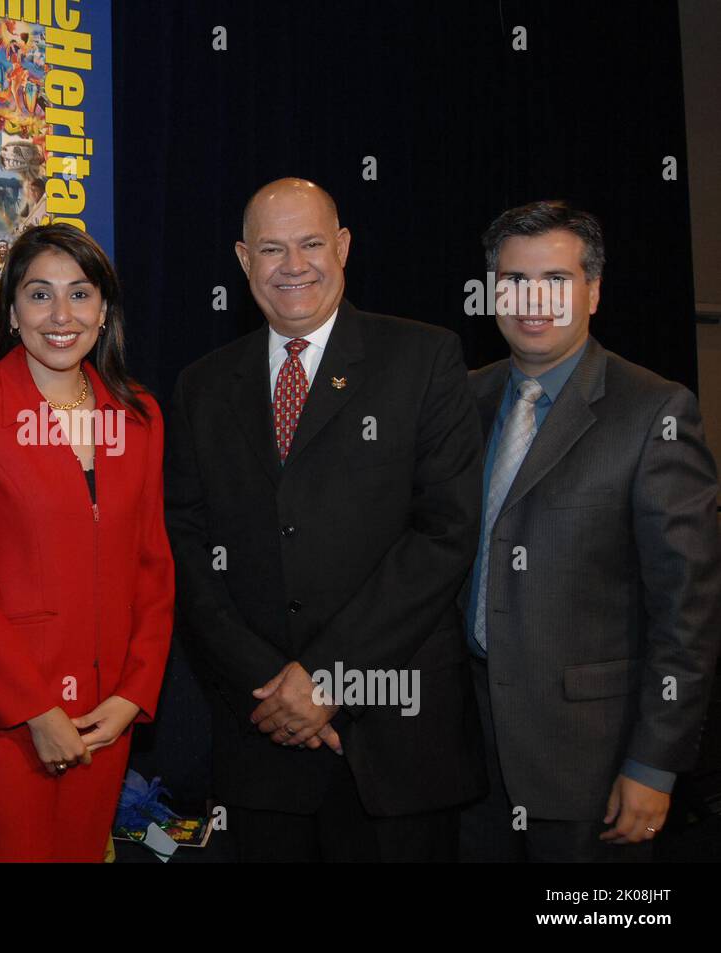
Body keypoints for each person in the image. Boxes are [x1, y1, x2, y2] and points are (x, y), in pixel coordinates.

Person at [165, 177, 486, 861]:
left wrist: (328, 678)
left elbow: (444, 533)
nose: (293, 265)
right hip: (262, 741)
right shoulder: (201, 386)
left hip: (397, 745)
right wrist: (275, 690)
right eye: (272, 248)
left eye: (311, 243)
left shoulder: (425, 359)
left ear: (342, 246)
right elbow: (186, 549)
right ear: (242, 259)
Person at [458, 201, 721, 862]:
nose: (533, 299)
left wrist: (654, 765)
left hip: (592, 766)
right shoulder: (462, 400)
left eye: (557, 279)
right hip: (468, 757)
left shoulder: (656, 410)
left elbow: (687, 611)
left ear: (594, 291)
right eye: (514, 280)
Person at [0, 223, 174, 861]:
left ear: (104, 311)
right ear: (11, 311)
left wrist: (133, 695)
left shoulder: (139, 415)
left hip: (104, 721)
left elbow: (153, 565)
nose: (61, 315)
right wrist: (36, 710)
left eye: (80, 294)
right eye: (39, 295)